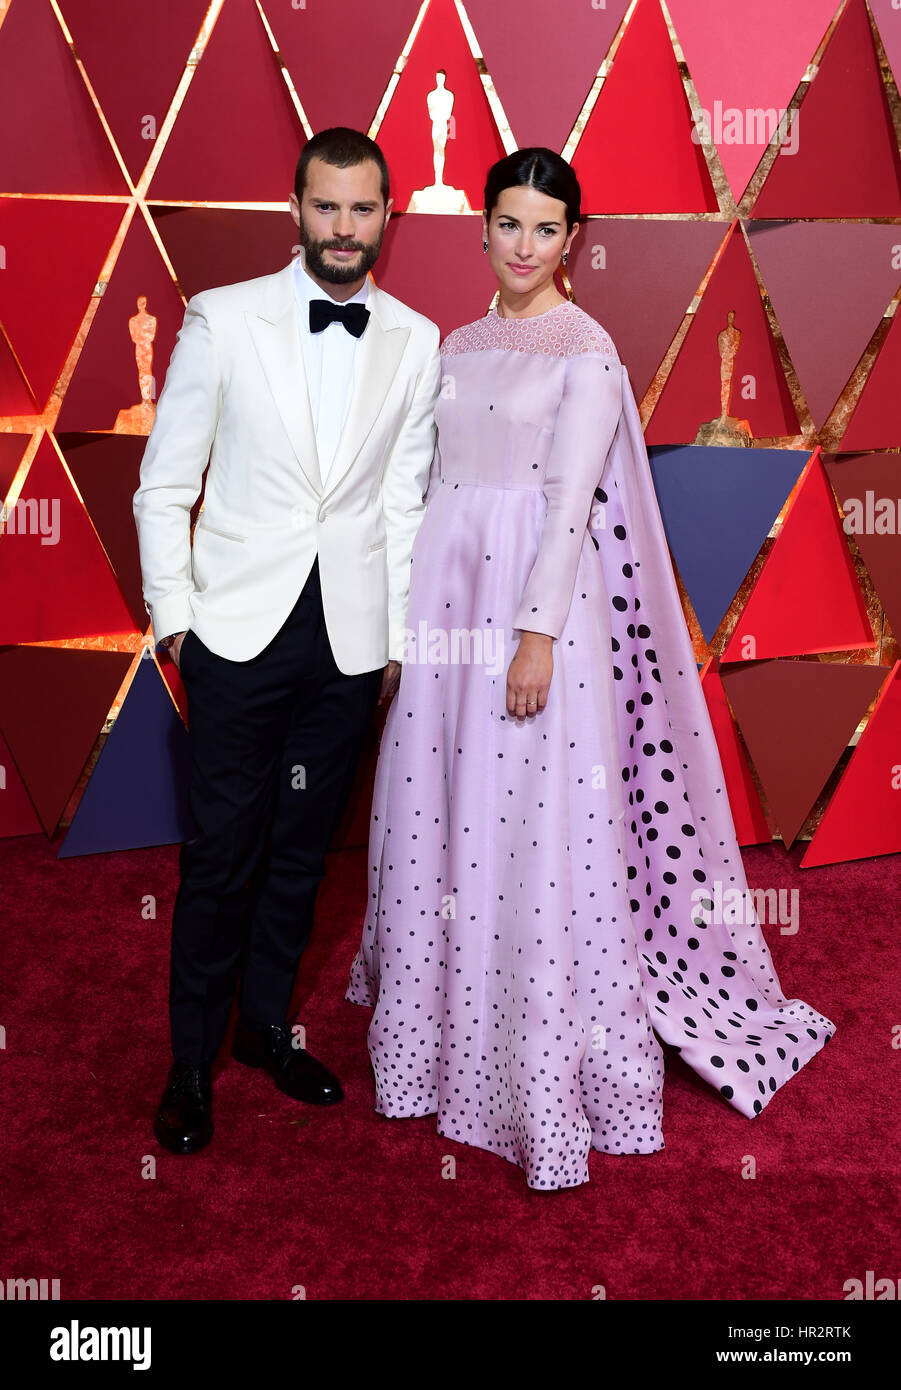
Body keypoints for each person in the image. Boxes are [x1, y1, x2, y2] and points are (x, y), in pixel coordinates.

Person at [347, 148, 836, 1191]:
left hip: (531, 612)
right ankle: (438, 1040)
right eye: (507, 223)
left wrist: (535, 634)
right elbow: (426, 484)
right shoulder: (457, 345)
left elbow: (567, 507)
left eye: (544, 228)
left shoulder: (587, 353)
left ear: (573, 238)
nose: (523, 246)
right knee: (441, 801)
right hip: (444, 605)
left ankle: (536, 1062)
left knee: (525, 821)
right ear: (481, 227)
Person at [133, 128, 441, 1154]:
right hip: (234, 633)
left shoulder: (415, 337)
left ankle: (266, 1027)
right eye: (326, 207)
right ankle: (190, 1061)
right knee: (222, 851)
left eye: (362, 210)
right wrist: (176, 623)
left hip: (347, 647)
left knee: (302, 854)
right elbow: (164, 482)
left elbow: (402, 501)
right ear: (296, 208)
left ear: (385, 216)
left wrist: (391, 638)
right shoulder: (222, 319)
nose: (343, 228)